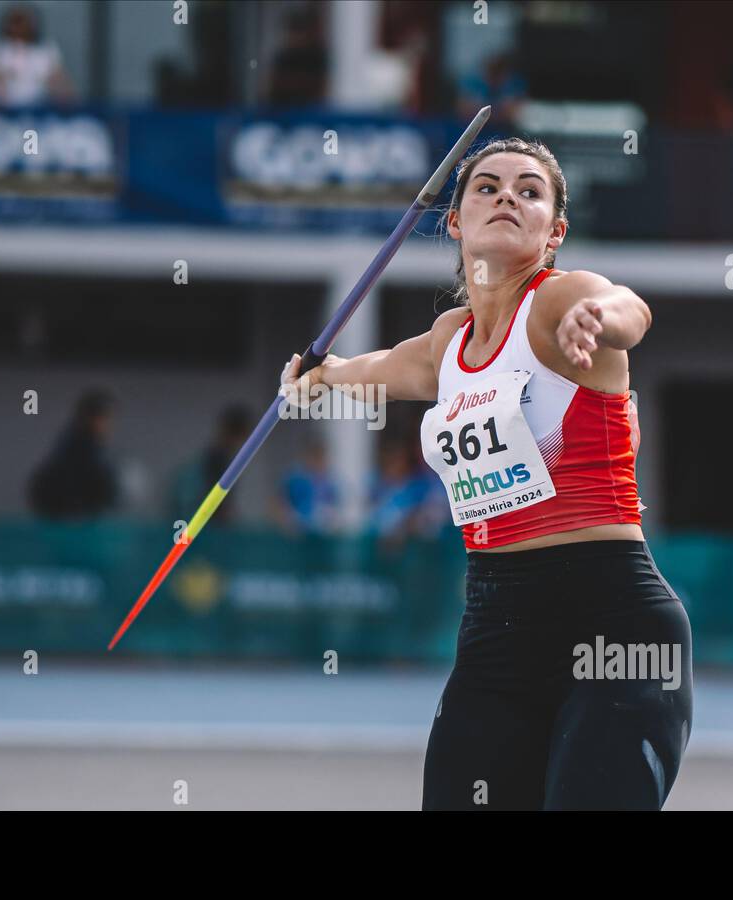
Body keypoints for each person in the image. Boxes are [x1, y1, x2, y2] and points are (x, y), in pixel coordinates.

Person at [280, 137, 691, 809]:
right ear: (455, 221)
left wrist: (600, 316)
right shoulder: (448, 343)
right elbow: (371, 370)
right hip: (496, 634)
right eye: (488, 187)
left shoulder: (563, 303)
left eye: (530, 191)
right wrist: (315, 380)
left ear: (554, 232)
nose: (508, 196)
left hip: (615, 624)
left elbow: (631, 310)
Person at [28, 389, 120, 521]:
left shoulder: (89, 449)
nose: (108, 425)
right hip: (71, 521)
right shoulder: (78, 451)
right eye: (104, 418)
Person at [0, 3, 74, 107]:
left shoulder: (47, 50)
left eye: (23, 21)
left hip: (40, 108)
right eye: (15, 21)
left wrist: (59, 88)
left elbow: (60, 82)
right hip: (4, 109)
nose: (19, 27)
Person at [273, 438, 341, 536]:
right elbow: (277, 504)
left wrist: (333, 522)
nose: (319, 462)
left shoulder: (330, 481)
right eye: (316, 457)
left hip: (322, 539)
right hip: (297, 537)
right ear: (308, 457)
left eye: (322, 457)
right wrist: (287, 522)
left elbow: (335, 509)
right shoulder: (295, 477)